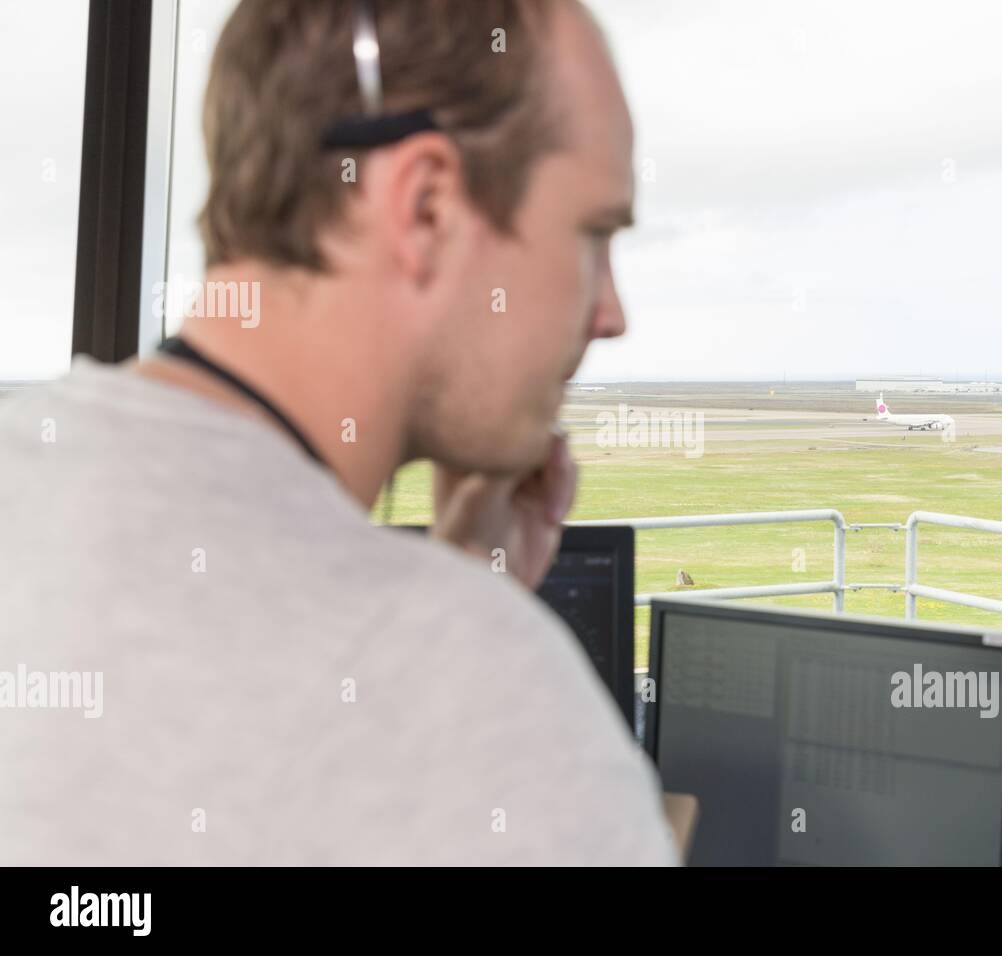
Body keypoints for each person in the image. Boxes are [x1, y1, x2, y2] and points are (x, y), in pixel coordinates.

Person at [0, 0, 677, 865]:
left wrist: (454, 600)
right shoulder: (481, 692)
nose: (611, 313)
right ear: (425, 206)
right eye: (592, 236)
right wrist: (464, 663)